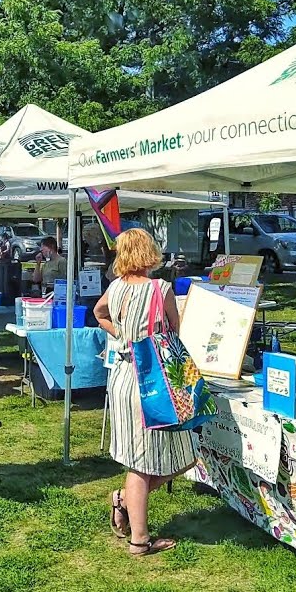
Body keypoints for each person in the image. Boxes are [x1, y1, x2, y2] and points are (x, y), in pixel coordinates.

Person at [92, 228, 193, 556]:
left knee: (149, 458)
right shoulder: (160, 289)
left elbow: (98, 313)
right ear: (149, 252)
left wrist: (121, 333)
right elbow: (175, 329)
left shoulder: (116, 287)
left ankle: (125, 500)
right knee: (148, 463)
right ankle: (139, 538)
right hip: (152, 380)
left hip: (122, 378)